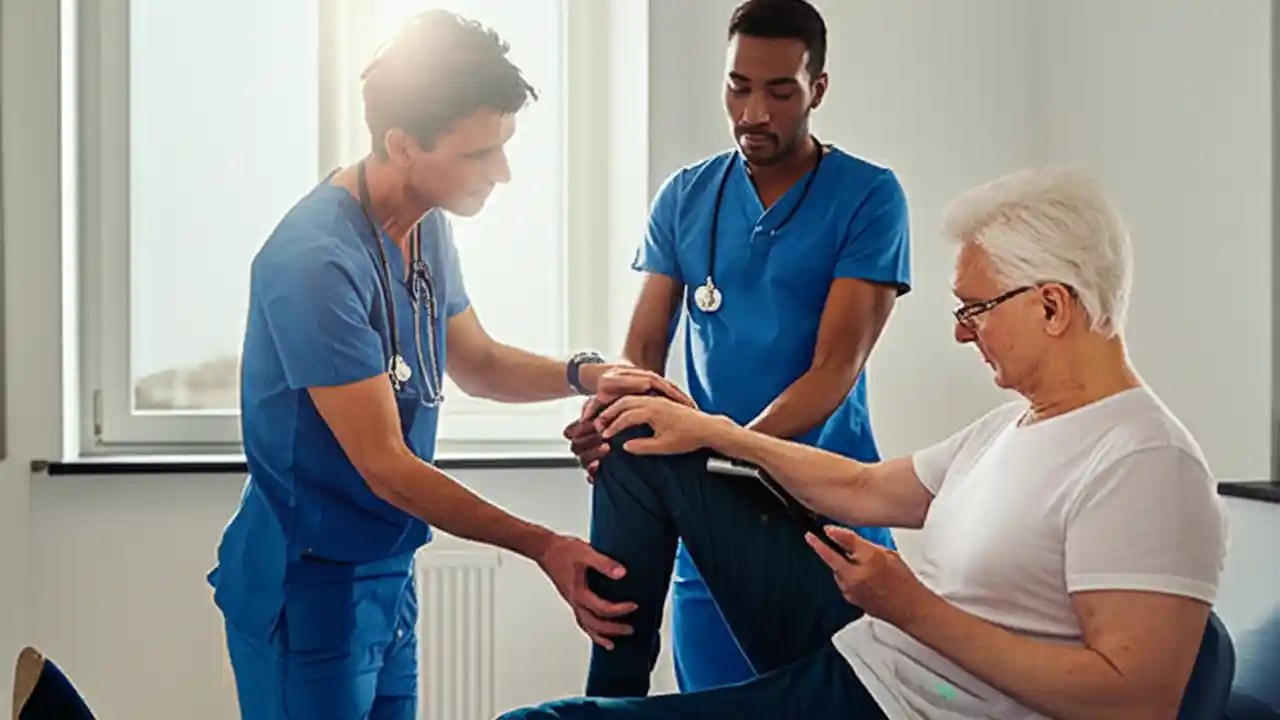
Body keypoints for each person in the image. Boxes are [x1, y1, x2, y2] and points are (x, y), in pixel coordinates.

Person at [502, 166, 1229, 719]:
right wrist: (715, 432)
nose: (963, 333)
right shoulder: (1013, 426)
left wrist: (910, 607)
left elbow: (1136, 702)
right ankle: (614, 691)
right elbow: (864, 487)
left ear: (1051, 305)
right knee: (640, 426)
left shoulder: (1144, 462)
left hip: (890, 701)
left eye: (975, 309)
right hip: (866, 649)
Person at [205, 11, 682, 719]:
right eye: (479, 154)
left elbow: (478, 362)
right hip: (306, 585)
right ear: (402, 144)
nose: (502, 173)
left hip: (388, 572)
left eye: (503, 147)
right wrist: (543, 546)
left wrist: (586, 373)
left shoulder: (424, 226)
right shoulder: (314, 263)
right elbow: (387, 466)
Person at [563, 0, 910, 694]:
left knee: (823, 705)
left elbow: (835, 369)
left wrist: (727, 454)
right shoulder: (686, 196)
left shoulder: (868, 197)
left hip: (820, 514)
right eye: (738, 87)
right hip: (710, 520)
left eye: (780, 91)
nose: (754, 112)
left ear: (817, 89)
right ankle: (609, 697)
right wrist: (611, 416)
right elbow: (643, 351)